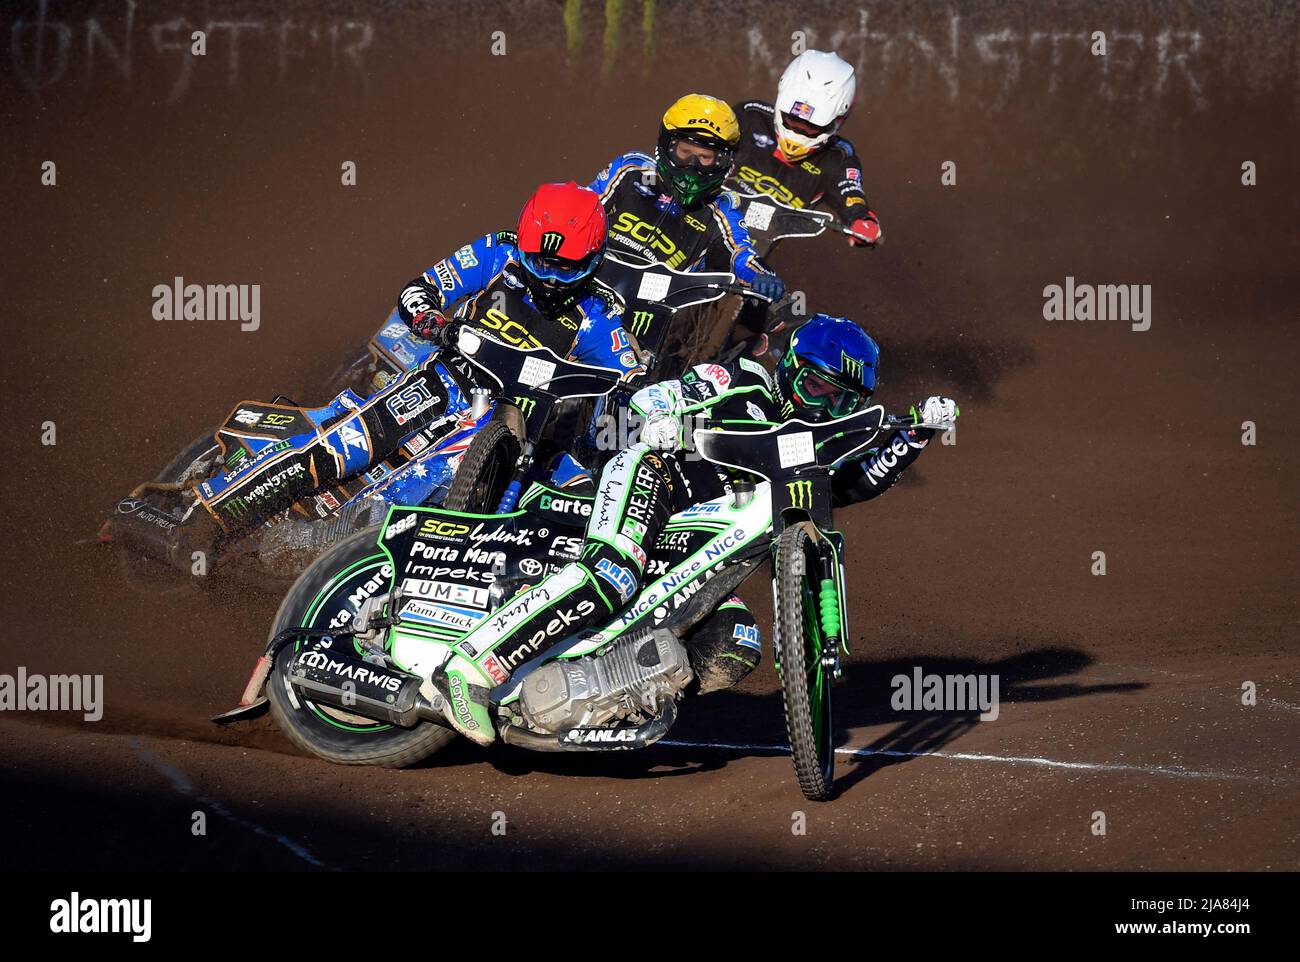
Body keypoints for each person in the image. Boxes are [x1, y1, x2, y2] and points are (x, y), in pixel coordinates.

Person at [428, 313, 959, 745]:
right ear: (792, 367)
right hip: (655, 480)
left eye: (841, 401)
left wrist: (914, 437)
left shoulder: (815, 452)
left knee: (737, 641)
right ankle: (470, 671)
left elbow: (852, 484)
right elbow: (664, 394)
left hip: (695, 549)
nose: (824, 405)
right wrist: (662, 414)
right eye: (818, 386)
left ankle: (593, 698)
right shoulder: (744, 381)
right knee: (610, 574)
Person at [182, 183, 641, 550]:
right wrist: (430, 319)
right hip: (440, 382)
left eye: (563, 268)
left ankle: (343, 551)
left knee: (412, 501)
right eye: (538, 259)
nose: (546, 275)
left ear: (593, 259)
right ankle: (206, 518)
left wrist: (635, 403)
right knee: (338, 450)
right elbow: (421, 287)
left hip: (509, 425)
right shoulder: (497, 252)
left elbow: (630, 379)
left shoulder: (600, 314)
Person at [727, 50, 882, 357]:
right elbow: (704, 146)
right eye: (792, 120)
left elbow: (851, 194)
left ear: (837, 121)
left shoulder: (838, 158)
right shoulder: (748, 116)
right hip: (700, 225)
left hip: (755, 259)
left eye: (810, 129)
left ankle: (755, 381)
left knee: (796, 330)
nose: (798, 132)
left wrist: (862, 222)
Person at [588, 93, 785, 304]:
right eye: (685, 152)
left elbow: (742, 254)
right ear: (667, 146)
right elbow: (583, 204)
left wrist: (762, 276)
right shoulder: (631, 169)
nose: (692, 165)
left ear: (724, 161)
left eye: (705, 157)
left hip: (650, 311)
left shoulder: (722, 209)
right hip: (585, 280)